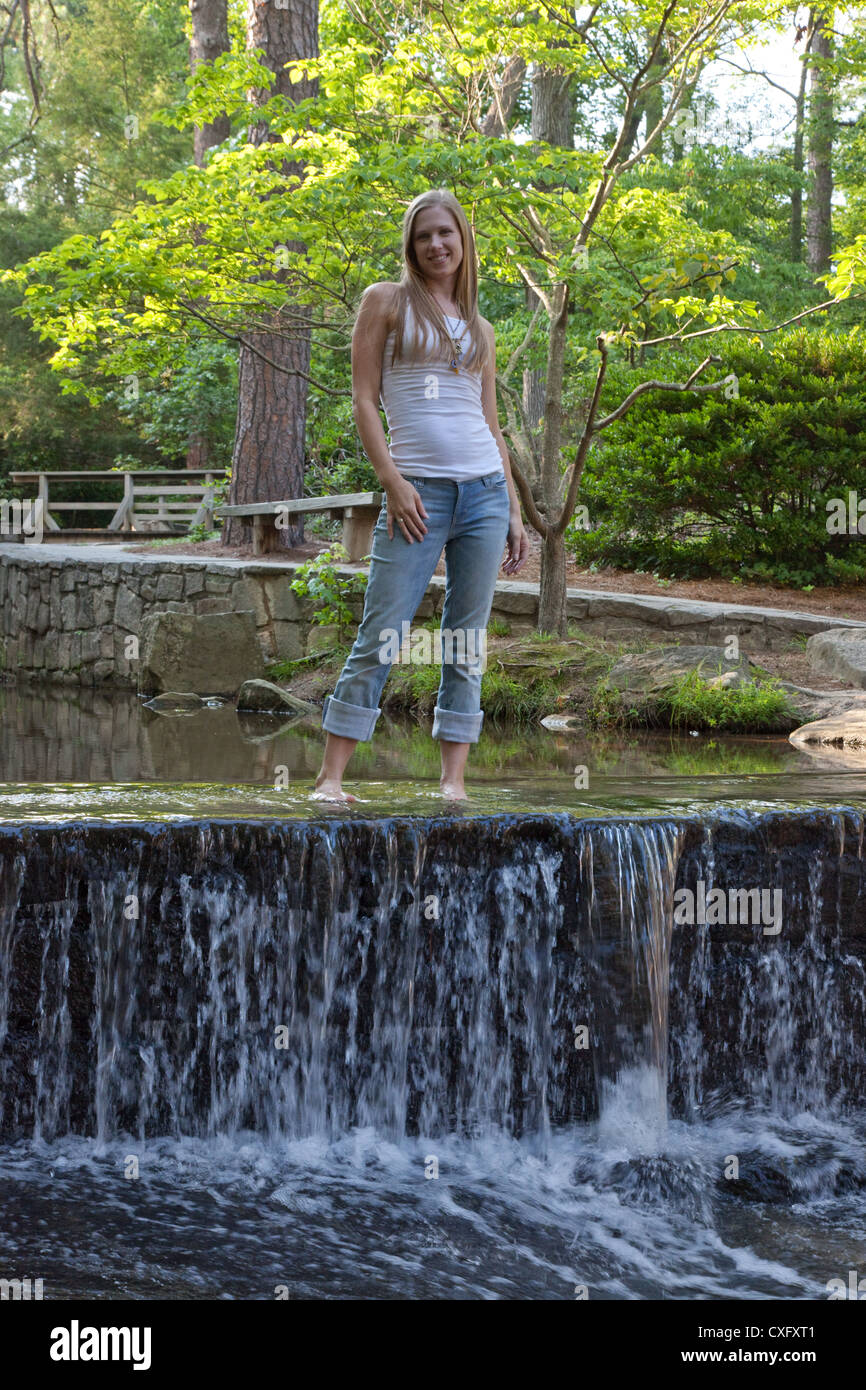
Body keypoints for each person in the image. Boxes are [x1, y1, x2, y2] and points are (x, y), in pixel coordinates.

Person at [312, 187, 529, 803]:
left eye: (446, 234)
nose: (436, 244)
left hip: (484, 493)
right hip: (418, 494)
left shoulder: (480, 327)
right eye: (423, 235)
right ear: (411, 245)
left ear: (464, 242)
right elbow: (363, 399)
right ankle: (330, 780)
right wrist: (393, 482)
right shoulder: (385, 302)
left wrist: (513, 509)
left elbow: (491, 426)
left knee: (467, 638)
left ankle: (452, 784)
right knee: (384, 630)